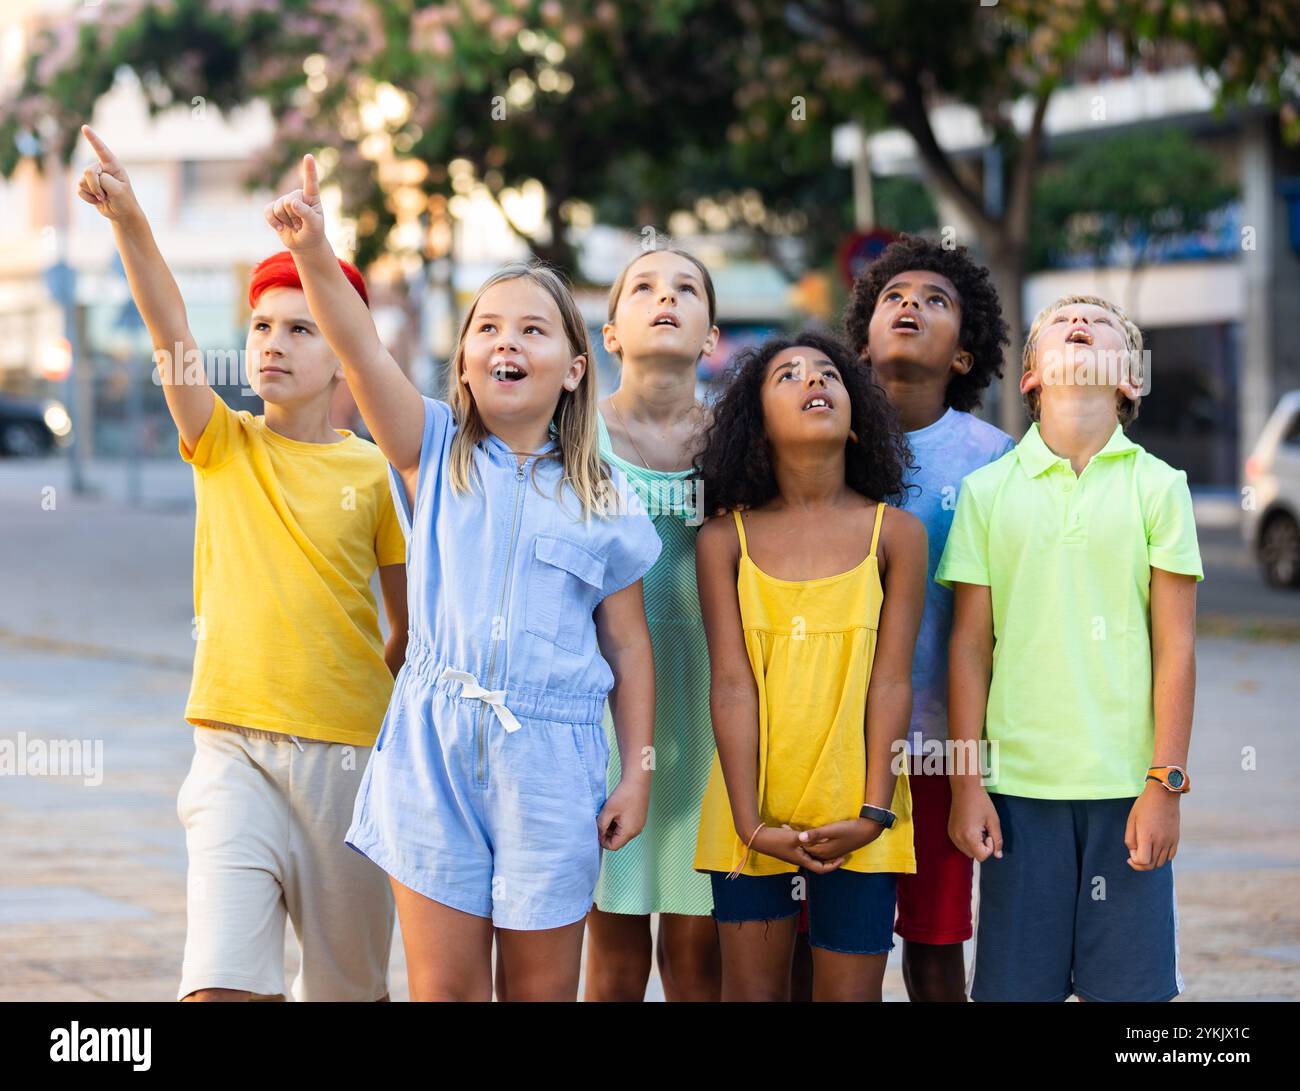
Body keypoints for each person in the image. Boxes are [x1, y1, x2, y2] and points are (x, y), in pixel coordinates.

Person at [265, 154, 662, 1001]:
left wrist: (637, 771)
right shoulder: (435, 449)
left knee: (539, 993)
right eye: (488, 327)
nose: (507, 341)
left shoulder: (605, 495)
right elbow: (360, 346)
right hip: (431, 749)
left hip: (553, 764)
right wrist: (313, 250)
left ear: (575, 366)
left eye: (532, 329)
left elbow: (629, 645)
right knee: (443, 992)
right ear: (465, 360)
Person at [76, 125, 407, 1002]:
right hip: (229, 748)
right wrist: (132, 223)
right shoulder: (220, 443)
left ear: (342, 351)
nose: (273, 342)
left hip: (348, 761)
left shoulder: (374, 472)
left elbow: (407, 628)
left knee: (348, 990)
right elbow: (169, 325)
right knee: (219, 983)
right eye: (262, 324)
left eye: (302, 327)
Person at [939, 294, 1202, 1002]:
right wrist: (967, 783)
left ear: (1132, 380)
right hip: (1017, 793)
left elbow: (1176, 647)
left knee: (1133, 999)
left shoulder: (1160, 487)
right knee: (1015, 990)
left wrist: (1165, 783)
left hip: (1128, 791)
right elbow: (968, 648)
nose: (1080, 322)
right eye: (1059, 322)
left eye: (1102, 323)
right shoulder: (986, 492)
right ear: (1029, 378)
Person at [692, 331, 925, 1002]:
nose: (811, 380)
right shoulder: (722, 539)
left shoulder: (898, 534)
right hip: (749, 810)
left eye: (828, 373)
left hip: (863, 813)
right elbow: (732, 685)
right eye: (787, 375)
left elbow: (892, 681)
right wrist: (749, 821)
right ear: (757, 426)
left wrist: (874, 811)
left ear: (858, 422)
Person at [834, 234, 1015, 1001]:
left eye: (935, 300)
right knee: (833, 947)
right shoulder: (820, 442)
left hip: (943, 749)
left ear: (964, 355)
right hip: (831, 739)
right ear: (863, 343)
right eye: (893, 297)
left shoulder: (996, 459)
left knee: (937, 947)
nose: (909, 305)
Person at [583, 247, 723, 1002]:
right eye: (642, 287)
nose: (664, 297)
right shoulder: (574, 437)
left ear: (710, 335)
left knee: (700, 958)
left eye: (686, 289)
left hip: (713, 704)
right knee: (613, 958)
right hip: (608, 711)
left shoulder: (743, 443)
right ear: (610, 333)